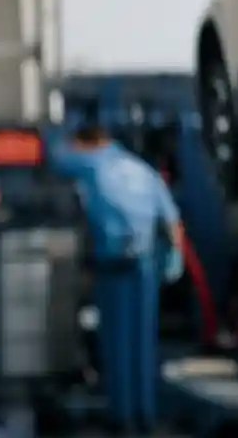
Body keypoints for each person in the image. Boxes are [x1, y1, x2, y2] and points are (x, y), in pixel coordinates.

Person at [49, 124, 183, 434]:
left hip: (114, 267)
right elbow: (173, 220)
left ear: (89, 143)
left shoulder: (93, 162)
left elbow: (55, 158)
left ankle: (121, 418)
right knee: (143, 345)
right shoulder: (144, 170)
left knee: (117, 345)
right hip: (146, 267)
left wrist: (56, 130)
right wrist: (173, 260)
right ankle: (144, 416)